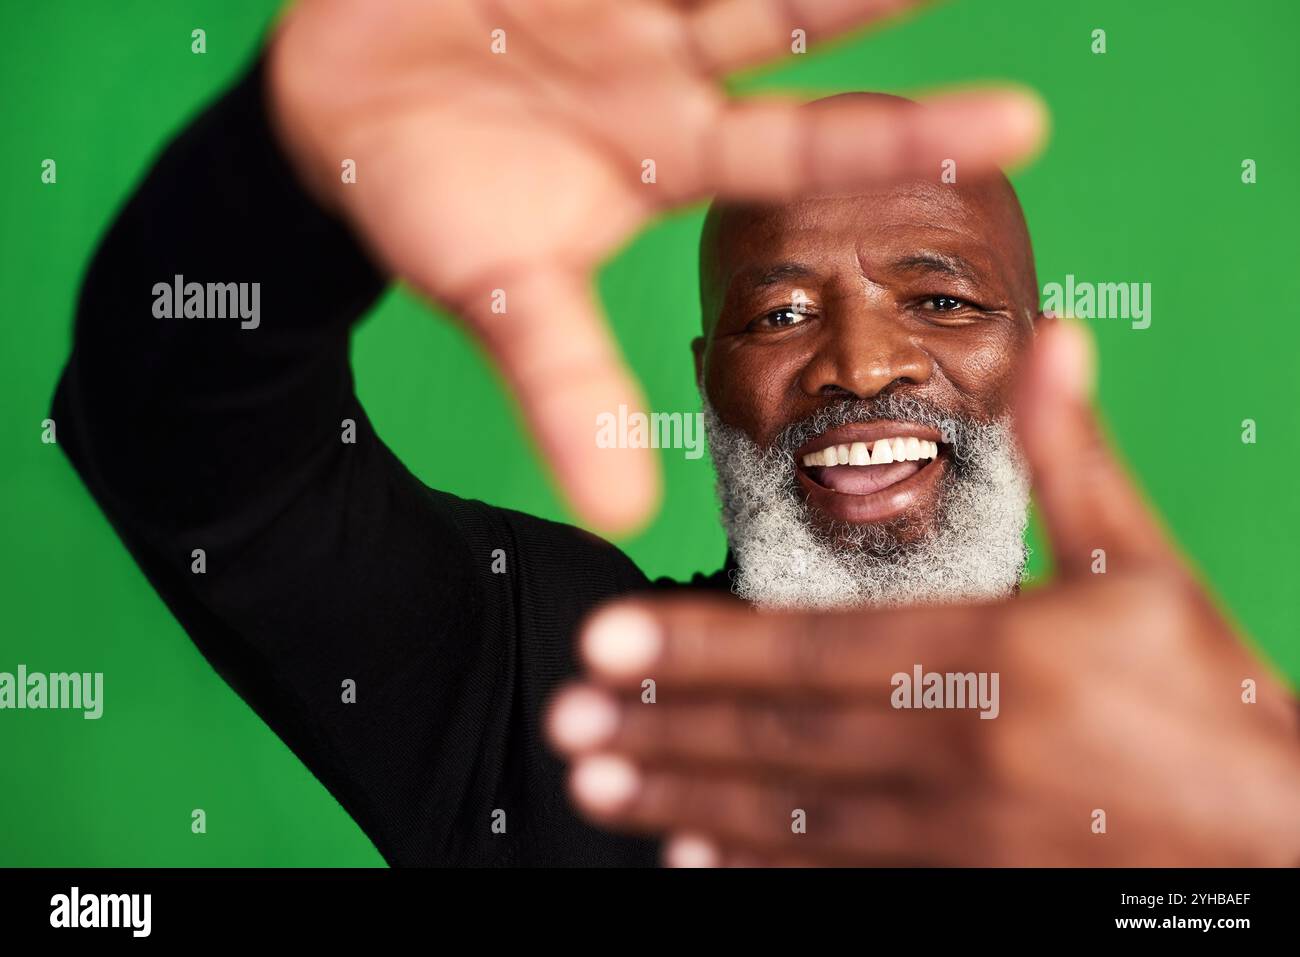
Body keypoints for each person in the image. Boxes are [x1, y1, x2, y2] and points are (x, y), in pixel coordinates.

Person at [51, 0, 1300, 866]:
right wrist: (287, 182)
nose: (860, 365)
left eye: (941, 301)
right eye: (782, 314)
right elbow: (189, 446)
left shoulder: (1190, 764)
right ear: (710, 384)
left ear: (1035, 350)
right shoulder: (561, 683)